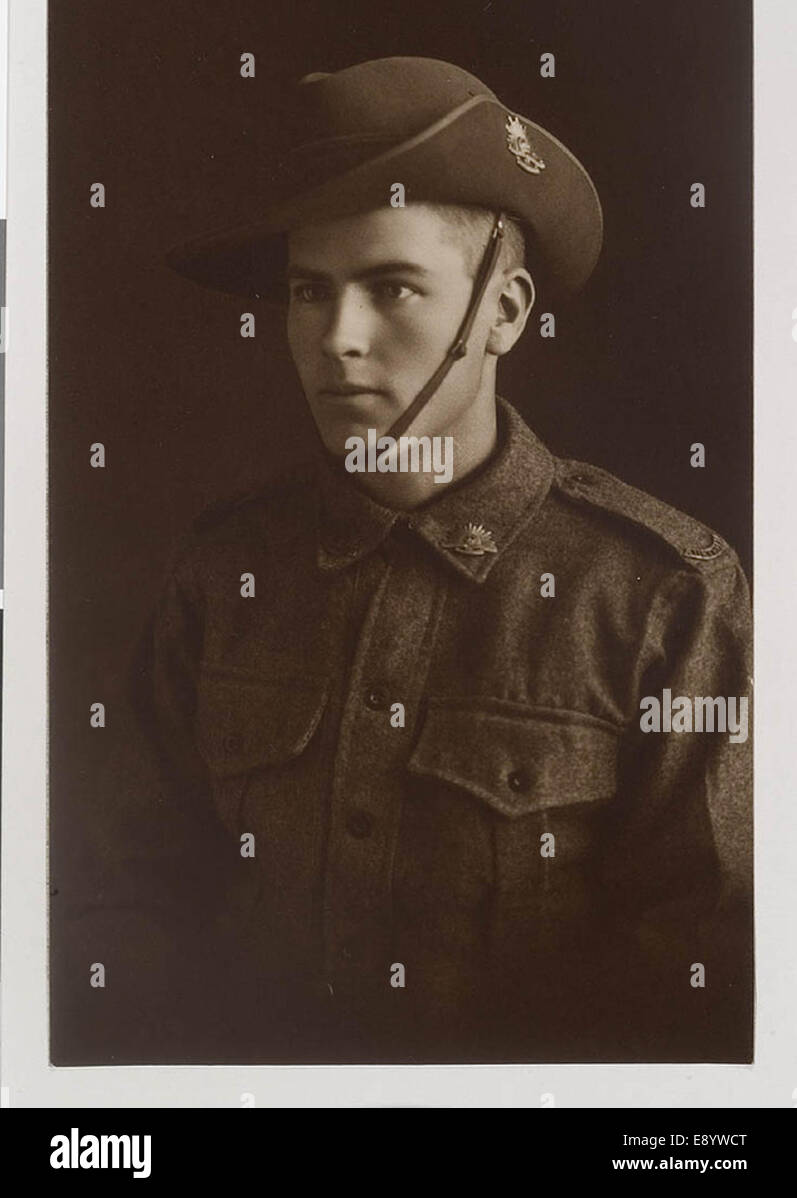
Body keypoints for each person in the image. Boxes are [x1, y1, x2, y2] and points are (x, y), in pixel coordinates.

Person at [55, 57, 752, 1065]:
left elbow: (703, 977)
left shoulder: (662, 593)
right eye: (307, 290)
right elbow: (122, 904)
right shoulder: (228, 567)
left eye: (390, 288)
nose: (337, 338)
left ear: (502, 313)